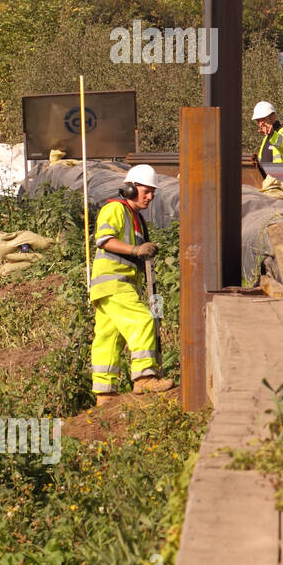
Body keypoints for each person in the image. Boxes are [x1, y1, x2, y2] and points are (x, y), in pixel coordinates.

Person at [90, 165, 174, 404]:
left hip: (109, 286)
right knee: (143, 320)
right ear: (129, 189)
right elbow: (104, 240)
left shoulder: (135, 217)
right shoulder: (115, 209)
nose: (150, 197)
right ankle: (144, 378)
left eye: (153, 193)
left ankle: (104, 393)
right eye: (146, 191)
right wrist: (136, 250)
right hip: (114, 281)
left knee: (108, 337)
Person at [252, 101, 283, 174]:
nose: (260, 124)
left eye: (263, 119)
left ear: (273, 117)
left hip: (282, 182)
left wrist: (273, 134)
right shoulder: (266, 138)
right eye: (258, 121)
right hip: (268, 183)